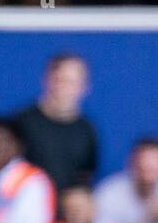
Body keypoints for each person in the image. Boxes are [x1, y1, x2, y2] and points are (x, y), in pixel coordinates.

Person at [14, 53, 99, 191]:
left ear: (85, 87)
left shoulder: (87, 130)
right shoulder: (21, 123)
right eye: (60, 80)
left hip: (67, 210)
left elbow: (86, 178)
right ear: (47, 80)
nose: (65, 88)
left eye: (73, 82)